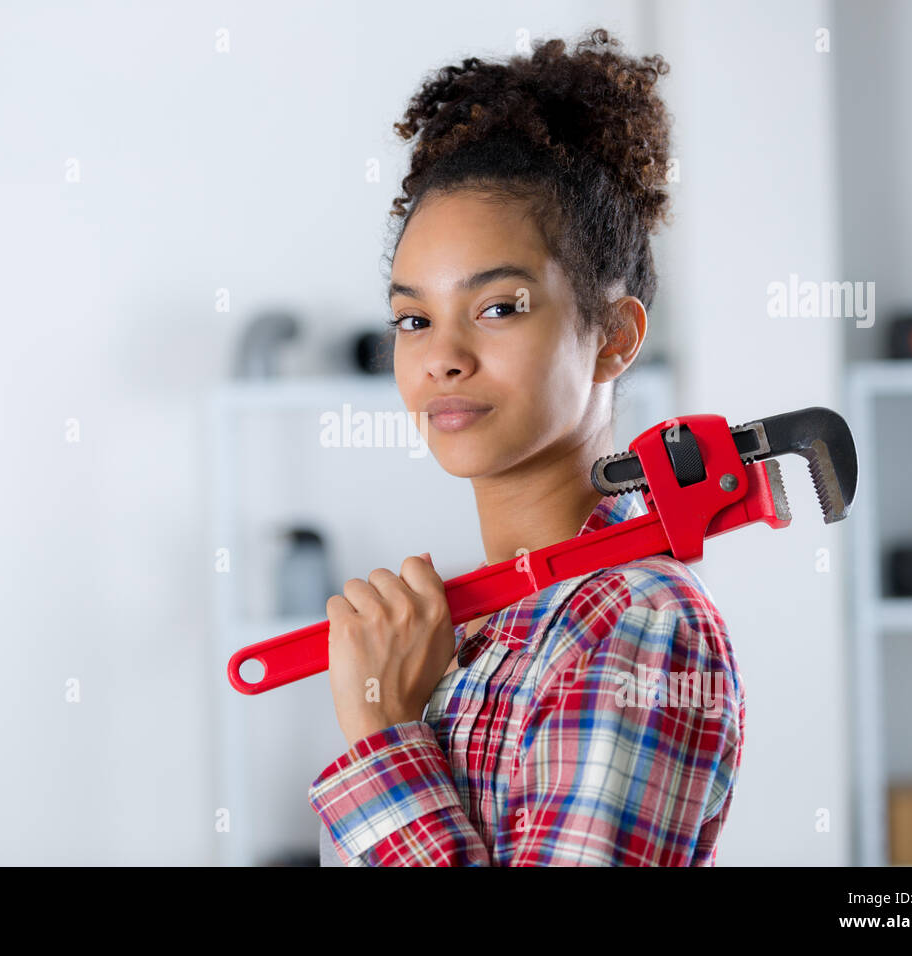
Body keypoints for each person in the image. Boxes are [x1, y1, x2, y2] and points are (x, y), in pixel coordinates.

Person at [310, 27, 744, 866]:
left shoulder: (642, 626)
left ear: (614, 337)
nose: (441, 355)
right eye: (413, 318)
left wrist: (383, 732)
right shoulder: (493, 625)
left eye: (500, 306)